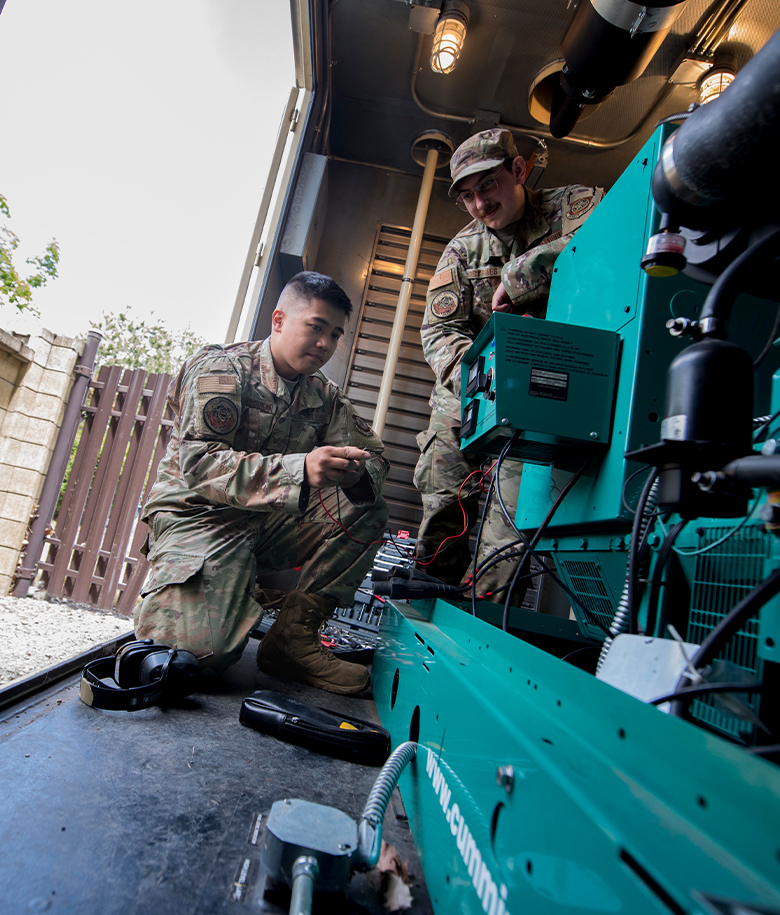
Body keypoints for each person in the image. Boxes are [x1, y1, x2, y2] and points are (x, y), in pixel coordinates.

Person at [134, 271, 389, 695]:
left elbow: (375, 459)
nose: (325, 344)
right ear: (278, 320)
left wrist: (357, 470)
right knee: (196, 661)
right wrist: (300, 470)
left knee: (365, 507)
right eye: (316, 327)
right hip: (201, 518)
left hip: (270, 522)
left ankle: (292, 642)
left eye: (336, 334)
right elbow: (200, 463)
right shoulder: (221, 370)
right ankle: (213, 595)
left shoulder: (323, 396)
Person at [415, 128, 603, 590]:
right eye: (466, 197)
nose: (479, 204)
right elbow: (439, 330)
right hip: (468, 397)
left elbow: (618, 237)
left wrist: (524, 274)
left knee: (511, 525)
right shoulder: (462, 250)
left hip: (542, 393)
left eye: (487, 185)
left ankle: (484, 622)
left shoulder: (574, 208)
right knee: (443, 506)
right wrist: (482, 378)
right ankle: (426, 605)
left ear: (519, 171)